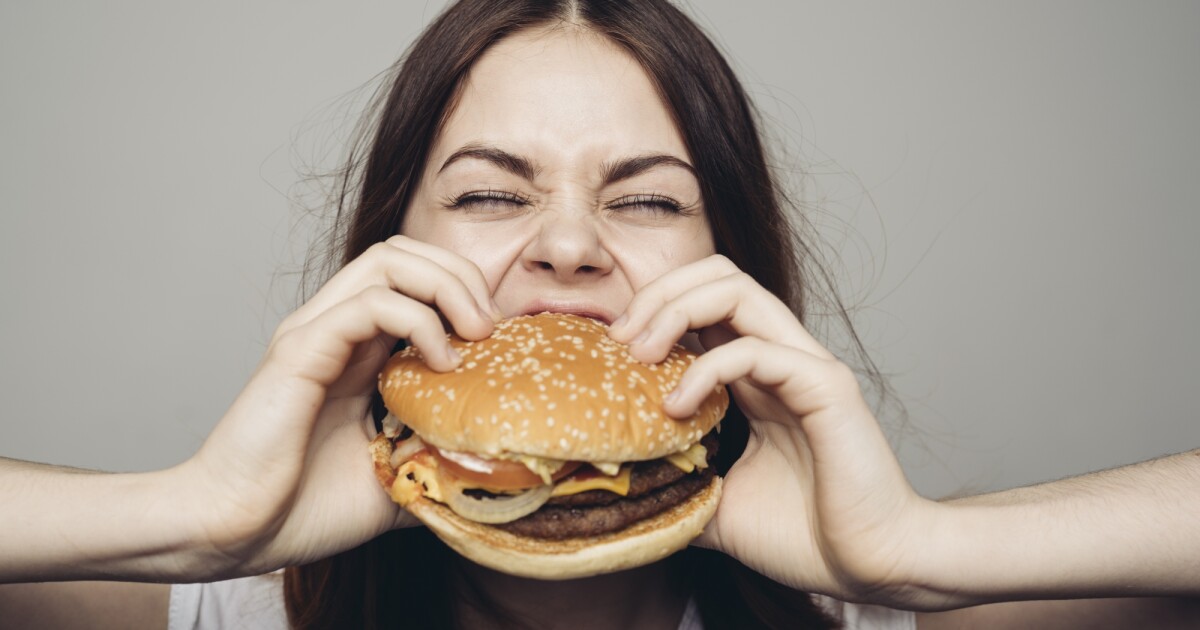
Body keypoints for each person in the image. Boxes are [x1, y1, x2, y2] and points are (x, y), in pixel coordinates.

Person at [2, 1, 1198, 628]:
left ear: (733, 274)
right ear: (385, 258)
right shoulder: (223, 604)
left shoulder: (879, 605)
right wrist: (189, 515)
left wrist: (923, 553)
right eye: (488, 193)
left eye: (648, 199)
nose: (568, 246)